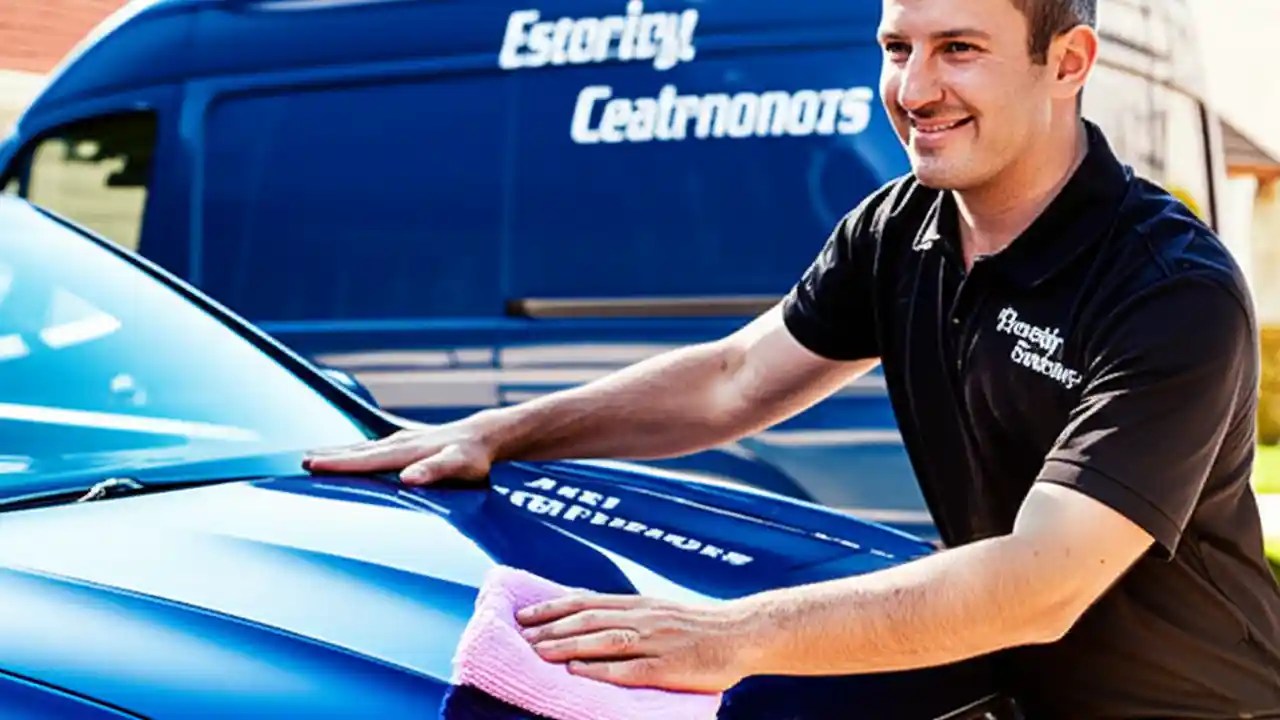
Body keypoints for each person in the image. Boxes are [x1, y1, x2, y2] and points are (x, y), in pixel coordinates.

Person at [304, 0, 1280, 715]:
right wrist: (497, 430)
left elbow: (1037, 583)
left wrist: (731, 636)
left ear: (1066, 62)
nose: (912, 89)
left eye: (958, 50)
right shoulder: (901, 229)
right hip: (998, 690)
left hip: (1195, 705)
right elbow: (733, 380)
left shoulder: (1167, 291)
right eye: (895, 48)